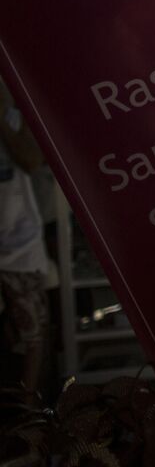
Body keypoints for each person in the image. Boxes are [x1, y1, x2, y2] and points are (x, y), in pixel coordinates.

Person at [0, 80, 49, 400]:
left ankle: (27, 411)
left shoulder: (18, 119)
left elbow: (32, 160)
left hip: (20, 245)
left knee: (33, 334)